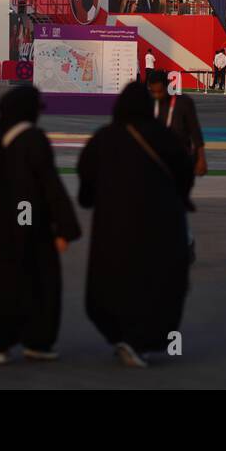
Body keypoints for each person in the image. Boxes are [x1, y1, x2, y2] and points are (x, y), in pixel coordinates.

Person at [0, 85, 81, 364]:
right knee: (40, 283)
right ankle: (37, 342)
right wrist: (65, 228)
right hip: (28, 225)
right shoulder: (34, 138)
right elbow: (50, 186)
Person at [78, 82, 194, 368]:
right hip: (160, 227)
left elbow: (86, 183)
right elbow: (184, 176)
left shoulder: (104, 138)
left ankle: (123, 336)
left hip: (113, 228)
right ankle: (138, 340)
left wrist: (91, 199)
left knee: (113, 279)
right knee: (158, 282)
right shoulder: (163, 137)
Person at [148, 71, 207, 178]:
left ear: (167, 87)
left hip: (181, 158)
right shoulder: (149, 103)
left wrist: (201, 159)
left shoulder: (184, 103)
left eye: (160, 91)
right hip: (157, 159)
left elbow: (195, 132)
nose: (156, 95)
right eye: (153, 92)